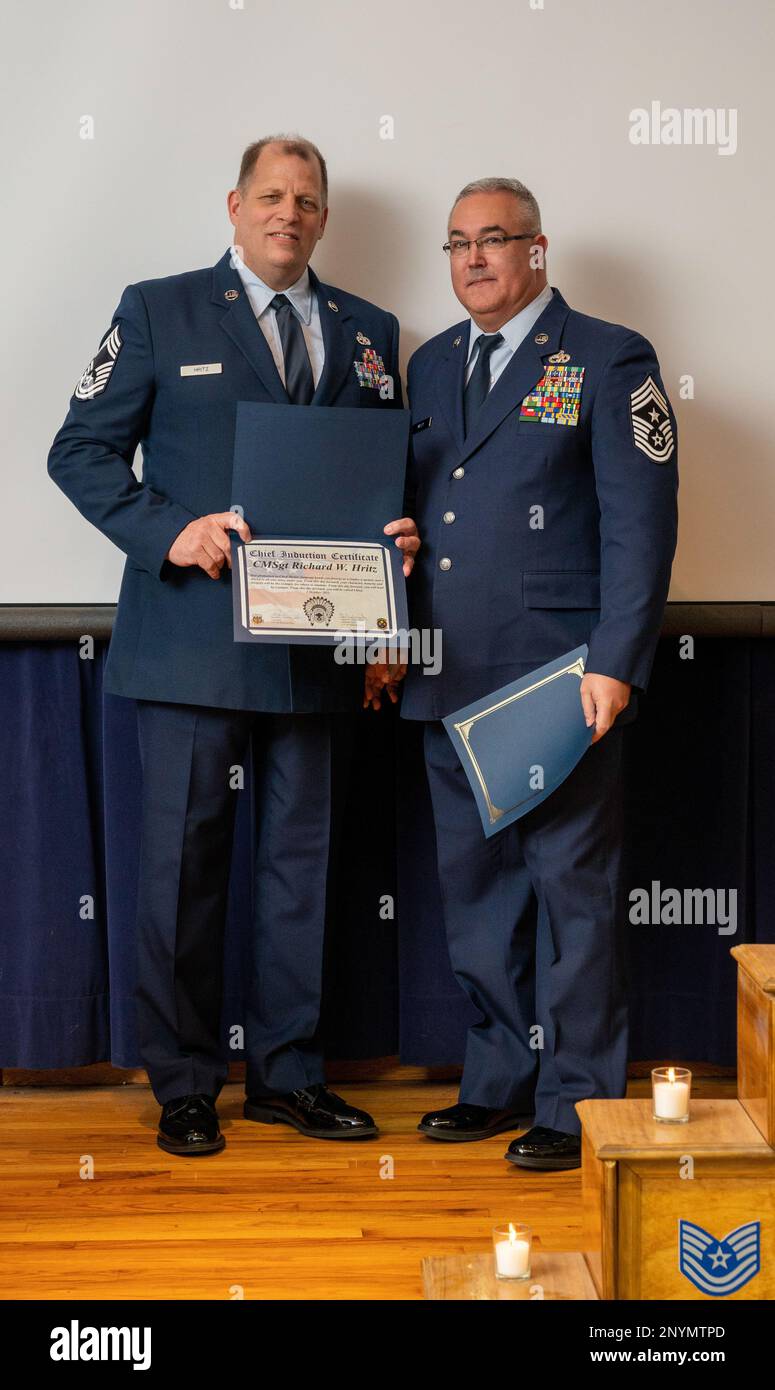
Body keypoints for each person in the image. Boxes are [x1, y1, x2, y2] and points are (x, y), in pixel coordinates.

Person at [47, 134, 419, 1156]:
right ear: (233, 204)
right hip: (190, 641)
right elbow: (77, 451)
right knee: (180, 868)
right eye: (269, 195)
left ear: (324, 218)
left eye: (305, 199)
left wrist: (396, 564)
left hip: (317, 646)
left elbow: (384, 485)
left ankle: (290, 1078)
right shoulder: (158, 309)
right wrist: (174, 530)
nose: (286, 213)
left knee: (303, 872)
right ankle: (183, 1085)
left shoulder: (371, 331)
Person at [396, 177, 678, 1170]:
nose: (474, 257)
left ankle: (577, 1096)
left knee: (573, 899)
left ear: (537, 249)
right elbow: (416, 518)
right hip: (445, 673)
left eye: (495, 239)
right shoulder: (428, 366)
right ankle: (496, 1079)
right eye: (458, 243)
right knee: (474, 899)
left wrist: (616, 663)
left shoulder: (607, 357)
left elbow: (640, 529)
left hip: (560, 683)